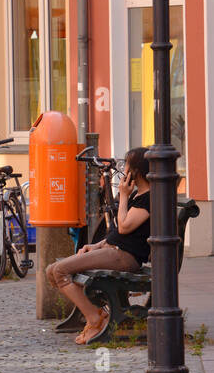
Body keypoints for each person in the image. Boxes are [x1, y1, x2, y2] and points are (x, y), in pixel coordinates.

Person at [47, 147, 152, 345]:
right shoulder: (138, 195)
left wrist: (122, 196)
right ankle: (96, 313)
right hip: (113, 251)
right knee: (51, 271)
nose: (123, 168)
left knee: (60, 271)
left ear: (136, 170)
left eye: (127, 164)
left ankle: (95, 318)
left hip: (125, 257)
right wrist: (95, 246)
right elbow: (116, 234)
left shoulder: (149, 198)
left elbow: (124, 226)